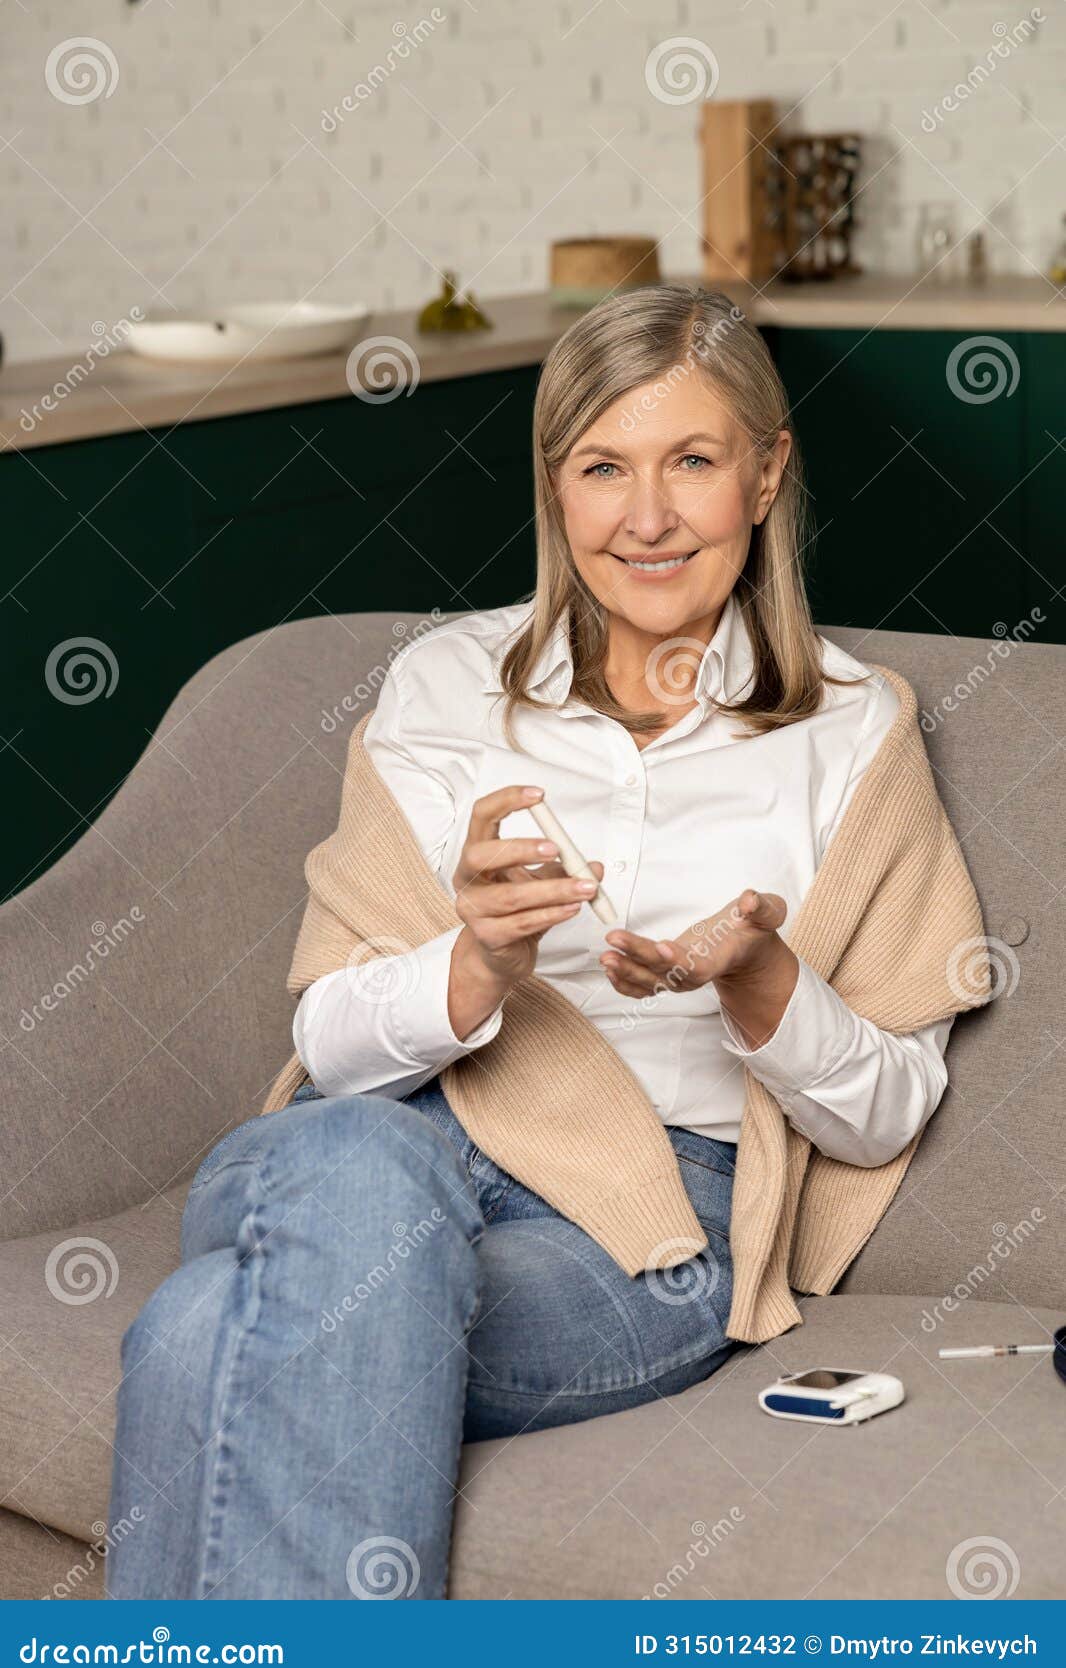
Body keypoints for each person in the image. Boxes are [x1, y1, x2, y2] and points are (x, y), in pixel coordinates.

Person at [105, 284, 957, 1600]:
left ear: (766, 472)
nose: (646, 515)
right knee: (355, 1152)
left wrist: (760, 979)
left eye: (691, 460)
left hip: (645, 1224)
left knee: (199, 1330)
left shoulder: (851, 727)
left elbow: (887, 1106)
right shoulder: (442, 686)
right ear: (555, 486)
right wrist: (476, 965)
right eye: (601, 466)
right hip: (387, 1147)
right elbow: (326, 1049)